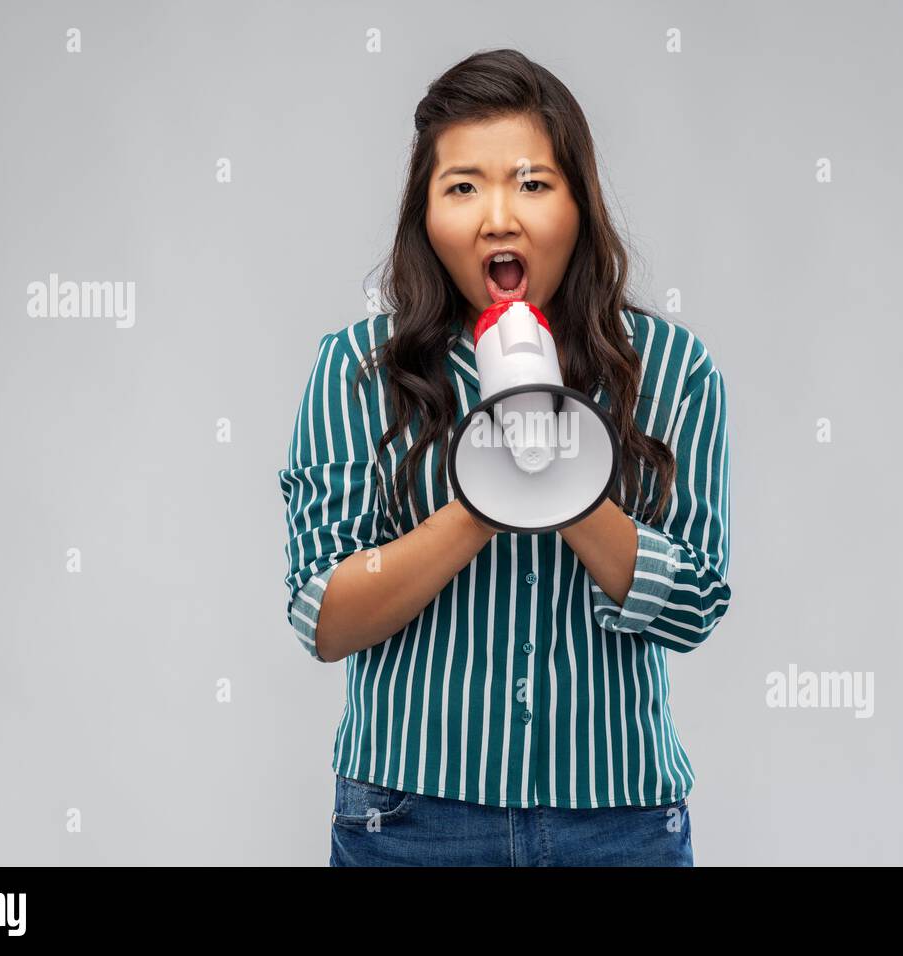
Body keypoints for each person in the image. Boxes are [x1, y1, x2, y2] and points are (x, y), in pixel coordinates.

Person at [279, 48, 731, 866]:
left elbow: (695, 602)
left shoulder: (672, 369)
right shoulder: (358, 371)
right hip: (410, 818)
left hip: (617, 820)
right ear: (424, 216)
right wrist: (482, 501)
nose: (499, 218)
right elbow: (326, 615)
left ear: (579, 204)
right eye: (462, 187)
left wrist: (568, 489)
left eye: (531, 183)